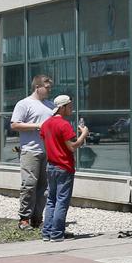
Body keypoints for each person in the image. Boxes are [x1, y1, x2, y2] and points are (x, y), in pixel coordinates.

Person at [39, 94, 89, 243]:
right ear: (62, 107)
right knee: (61, 201)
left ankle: (47, 233)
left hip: (51, 166)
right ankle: (56, 234)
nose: (71, 109)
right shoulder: (64, 125)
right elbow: (72, 147)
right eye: (70, 106)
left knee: (51, 200)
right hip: (64, 166)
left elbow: (47, 142)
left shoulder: (46, 124)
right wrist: (84, 135)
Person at [10, 75, 55, 230]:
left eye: (50, 87)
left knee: (44, 188)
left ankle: (37, 218)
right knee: (29, 185)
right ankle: (24, 219)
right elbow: (15, 125)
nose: (49, 90)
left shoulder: (50, 105)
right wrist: (37, 126)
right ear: (37, 87)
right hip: (30, 151)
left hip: (47, 151)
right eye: (47, 87)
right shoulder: (24, 104)